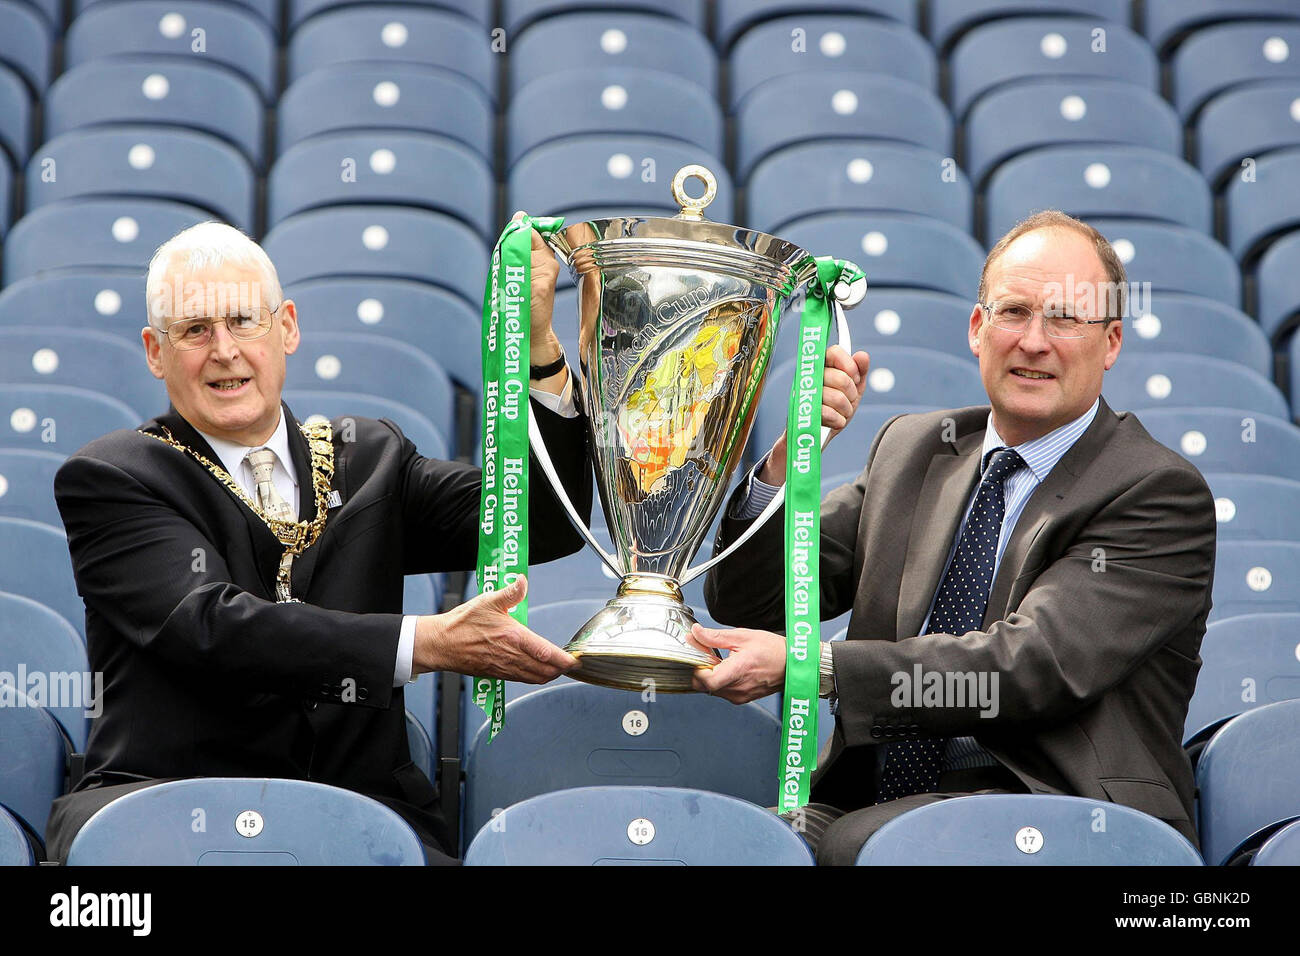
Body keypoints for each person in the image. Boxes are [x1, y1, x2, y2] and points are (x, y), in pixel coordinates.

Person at [45, 220, 593, 864]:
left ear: (288, 328)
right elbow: (210, 627)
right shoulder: (114, 476)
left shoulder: (372, 459)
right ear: (155, 351)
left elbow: (544, 523)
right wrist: (426, 643)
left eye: (244, 321)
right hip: (171, 816)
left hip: (365, 825)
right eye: (194, 330)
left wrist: (538, 347)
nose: (224, 349)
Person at [699, 211, 1216, 865]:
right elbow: (752, 601)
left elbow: (1029, 667)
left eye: (1063, 319)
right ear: (978, 329)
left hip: (1063, 808)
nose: (1033, 341)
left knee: (862, 845)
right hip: (871, 802)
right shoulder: (916, 450)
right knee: (749, 847)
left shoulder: (1158, 490)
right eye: (1014, 313)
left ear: (1110, 343)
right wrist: (787, 461)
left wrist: (815, 669)